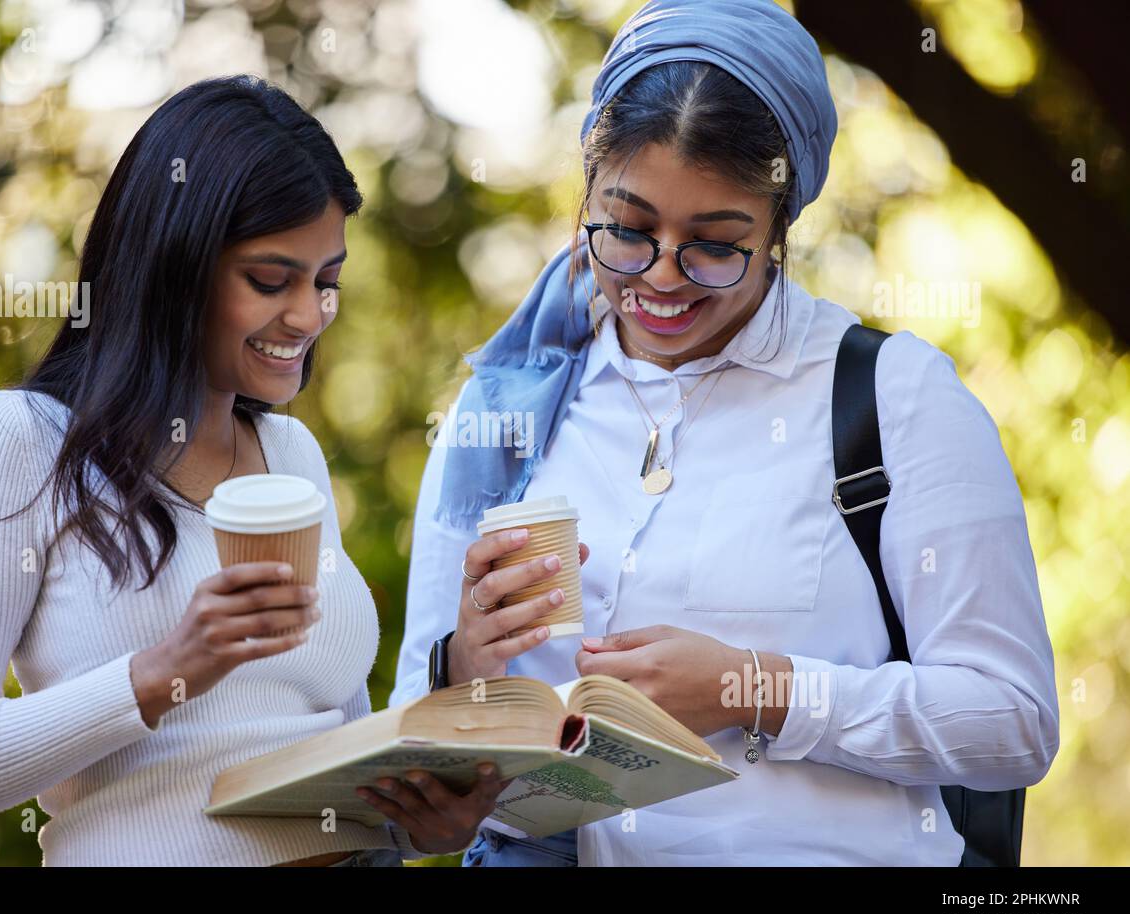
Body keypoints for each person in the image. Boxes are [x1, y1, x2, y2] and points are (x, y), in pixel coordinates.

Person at [392, 0, 1060, 865]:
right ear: (586, 192)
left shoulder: (892, 399)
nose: (661, 278)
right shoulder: (502, 414)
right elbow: (420, 807)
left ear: (782, 224)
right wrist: (464, 680)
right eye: (627, 230)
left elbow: (1013, 720)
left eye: (715, 244)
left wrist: (761, 691)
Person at [0, 76, 553, 866]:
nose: (306, 316)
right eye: (271, 281)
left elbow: (337, 757)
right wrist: (165, 671)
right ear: (174, 266)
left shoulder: (290, 457)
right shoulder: (24, 443)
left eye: (325, 282)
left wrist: (430, 816)